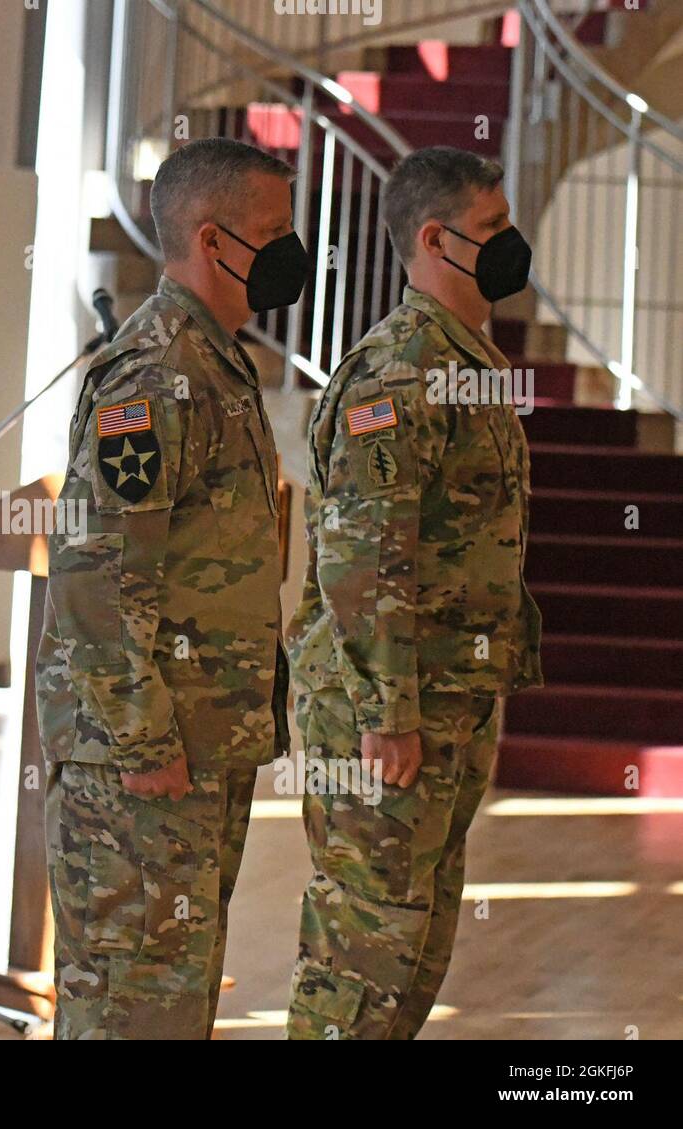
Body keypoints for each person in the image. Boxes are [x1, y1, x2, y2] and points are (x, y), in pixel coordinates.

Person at [36, 137, 309, 1039]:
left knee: (170, 999)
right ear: (209, 238)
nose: (290, 251)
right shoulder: (157, 375)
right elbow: (96, 577)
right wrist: (144, 736)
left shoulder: (217, 361)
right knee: (130, 1004)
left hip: (196, 748)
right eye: (272, 232)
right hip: (142, 762)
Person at [286, 145, 543, 1039]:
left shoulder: (467, 359)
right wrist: (389, 708)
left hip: (448, 698)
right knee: (363, 956)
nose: (515, 243)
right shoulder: (396, 371)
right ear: (437, 240)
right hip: (387, 708)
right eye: (495, 228)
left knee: (416, 948)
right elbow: (364, 556)